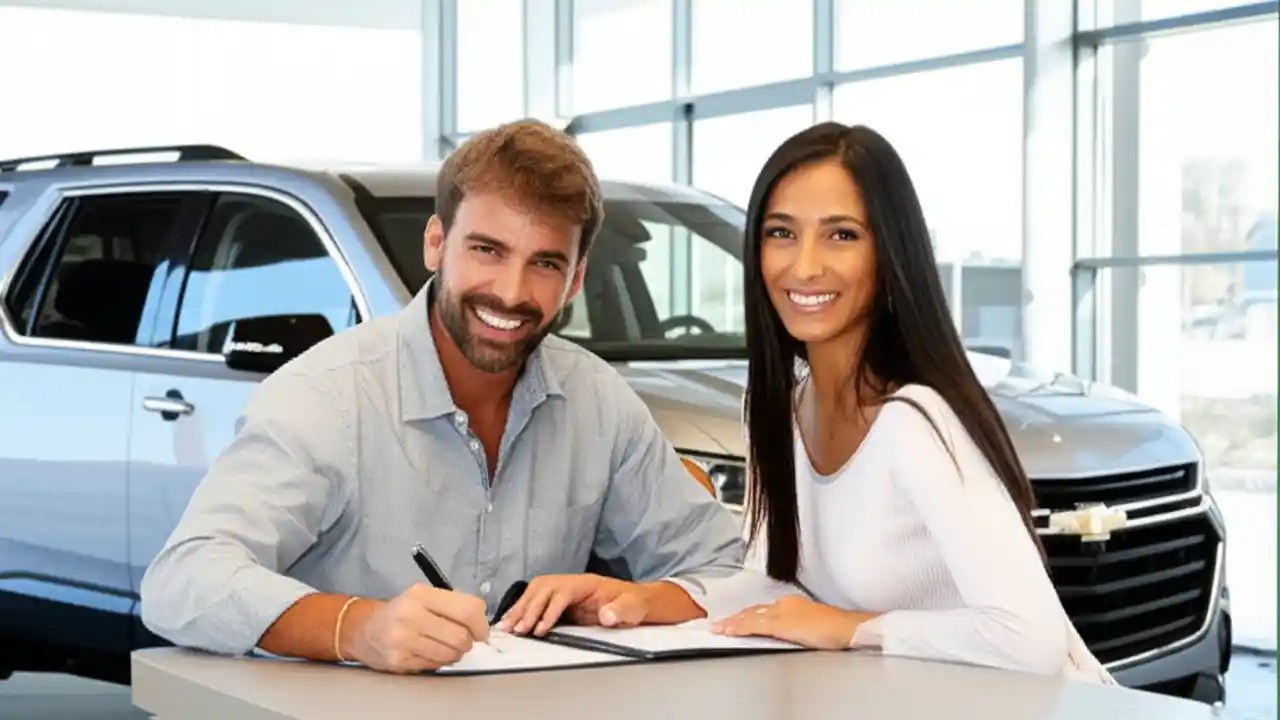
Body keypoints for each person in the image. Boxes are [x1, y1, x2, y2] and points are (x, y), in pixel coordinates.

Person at [140, 119, 743, 674]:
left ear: (576, 279)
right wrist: (357, 628)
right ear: (436, 244)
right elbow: (182, 581)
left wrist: (640, 598)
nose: (511, 292)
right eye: (487, 250)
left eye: (544, 264)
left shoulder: (598, 400)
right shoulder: (328, 395)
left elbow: (731, 569)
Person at [699, 122, 1113, 683]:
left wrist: (851, 628)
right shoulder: (776, 409)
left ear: (889, 254)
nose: (805, 266)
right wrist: (660, 601)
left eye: (841, 235)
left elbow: (1029, 639)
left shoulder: (912, 421)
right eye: (781, 233)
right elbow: (773, 585)